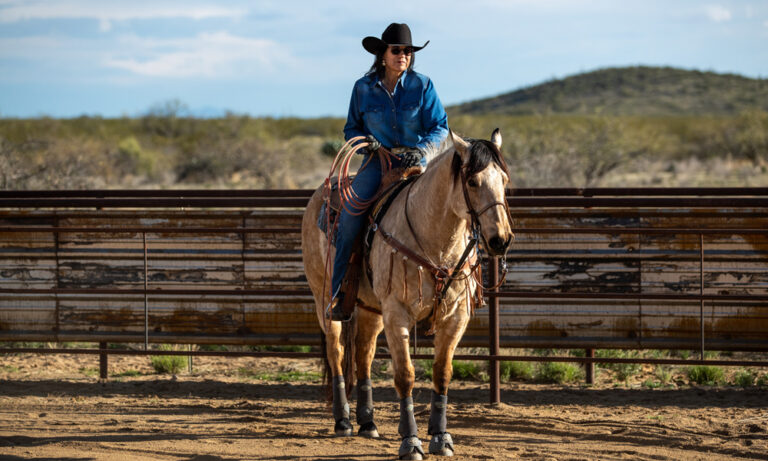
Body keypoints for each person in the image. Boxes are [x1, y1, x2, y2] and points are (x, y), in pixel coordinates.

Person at [329, 23, 449, 321]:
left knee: (453, 204)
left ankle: (461, 286)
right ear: (382, 54)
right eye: (397, 50)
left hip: (416, 162)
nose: (403, 55)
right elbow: (351, 129)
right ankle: (340, 292)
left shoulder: (423, 86)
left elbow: (439, 127)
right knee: (350, 217)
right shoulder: (363, 88)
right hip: (376, 163)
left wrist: (421, 149)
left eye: (408, 51)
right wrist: (365, 142)